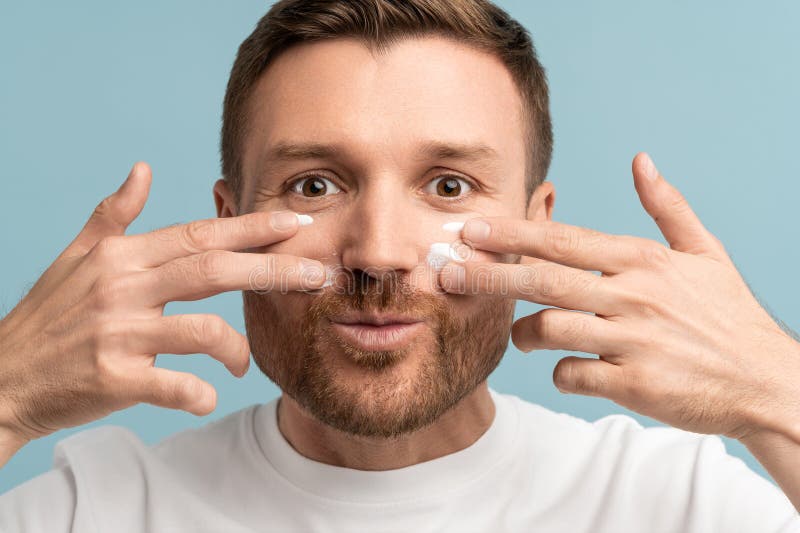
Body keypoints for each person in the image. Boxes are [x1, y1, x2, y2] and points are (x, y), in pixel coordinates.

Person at [1, 0, 798, 531]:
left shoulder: (681, 504)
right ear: (231, 223)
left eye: (448, 185)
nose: (378, 251)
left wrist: (778, 390)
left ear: (533, 227)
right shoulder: (90, 510)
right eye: (315, 184)